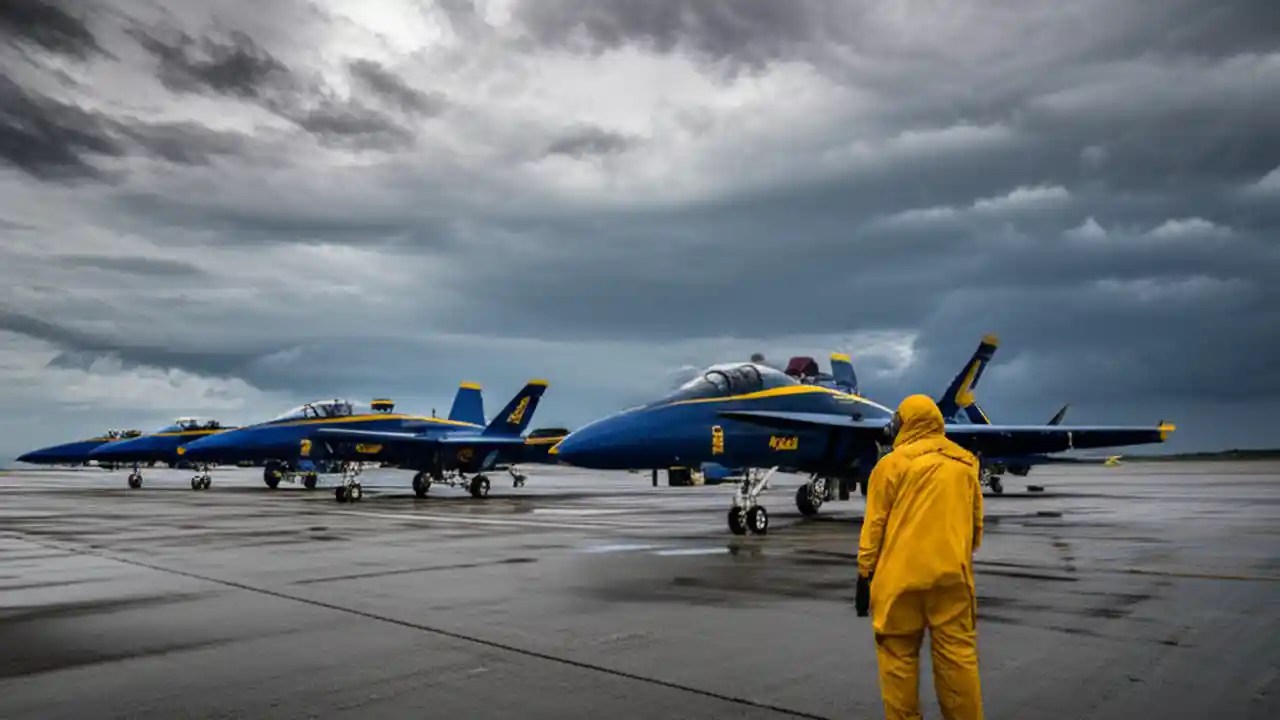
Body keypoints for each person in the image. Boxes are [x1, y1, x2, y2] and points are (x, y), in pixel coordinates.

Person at [855, 394, 985, 720]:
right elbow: (975, 530)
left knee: (897, 660)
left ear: (904, 423)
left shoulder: (889, 466)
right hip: (951, 579)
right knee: (958, 660)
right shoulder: (966, 464)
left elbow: (874, 529)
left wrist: (863, 575)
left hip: (899, 583)